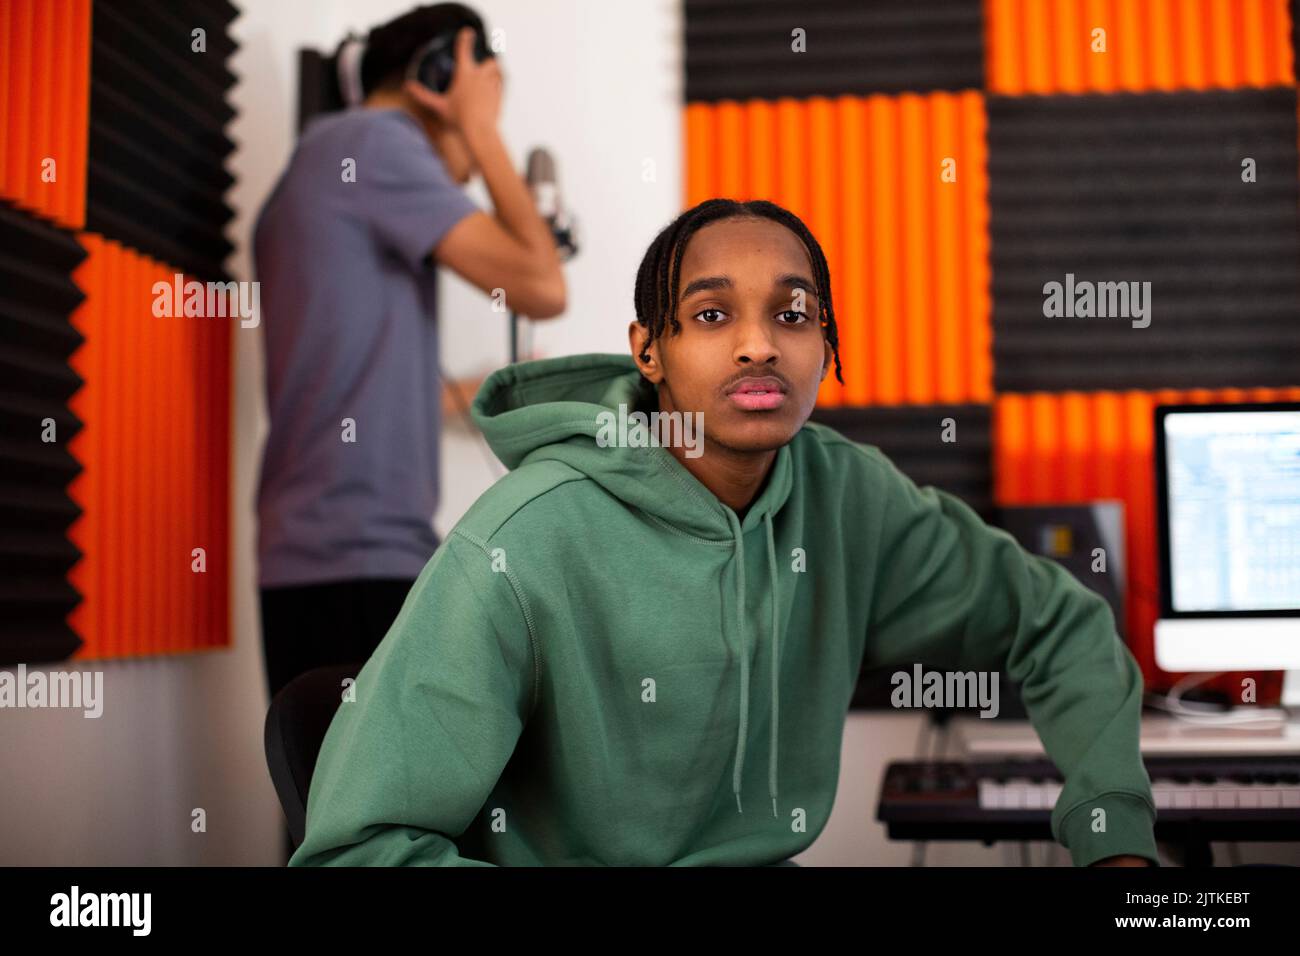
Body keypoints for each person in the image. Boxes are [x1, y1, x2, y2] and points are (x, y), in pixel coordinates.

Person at [288, 198, 1156, 867]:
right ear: (648, 350)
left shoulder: (848, 496)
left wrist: (1114, 836)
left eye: (792, 313)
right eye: (711, 316)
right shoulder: (521, 544)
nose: (757, 346)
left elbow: (1058, 622)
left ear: (827, 343)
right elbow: (355, 849)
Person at [253, 3, 566, 708]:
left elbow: (341, 377)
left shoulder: (336, 156)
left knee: (335, 810)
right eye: (486, 96)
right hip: (355, 558)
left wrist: (460, 394)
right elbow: (542, 284)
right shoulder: (374, 142)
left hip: (324, 557)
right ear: (438, 76)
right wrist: (484, 133)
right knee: (378, 814)